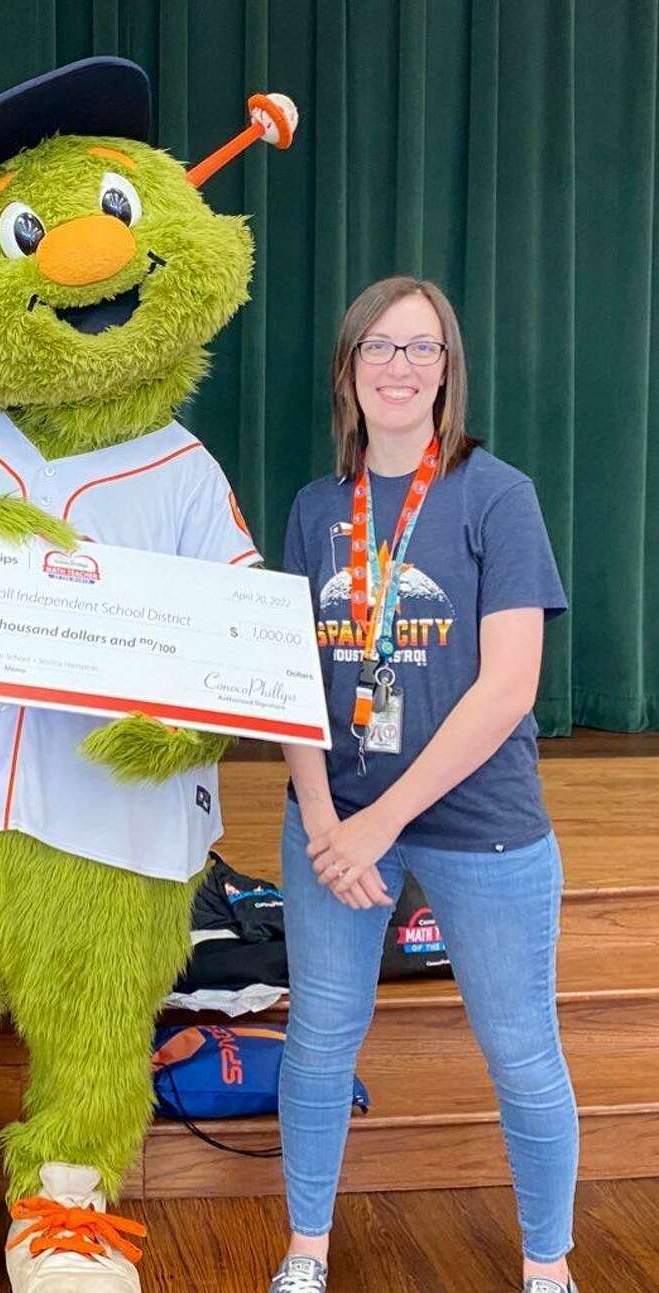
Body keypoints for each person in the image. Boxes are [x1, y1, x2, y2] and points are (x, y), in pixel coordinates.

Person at [267, 277, 578, 1293]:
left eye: (422, 349)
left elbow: (507, 691)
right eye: (380, 350)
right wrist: (324, 819)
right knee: (316, 1039)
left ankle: (549, 1266)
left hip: (481, 825)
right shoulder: (317, 510)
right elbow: (289, 682)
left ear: (449, 372)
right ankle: (305, 1252)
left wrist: (379, 825)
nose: (400, 368)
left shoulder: (497, 494)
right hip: (335, 825)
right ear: (348, 374)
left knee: (523, 1050)